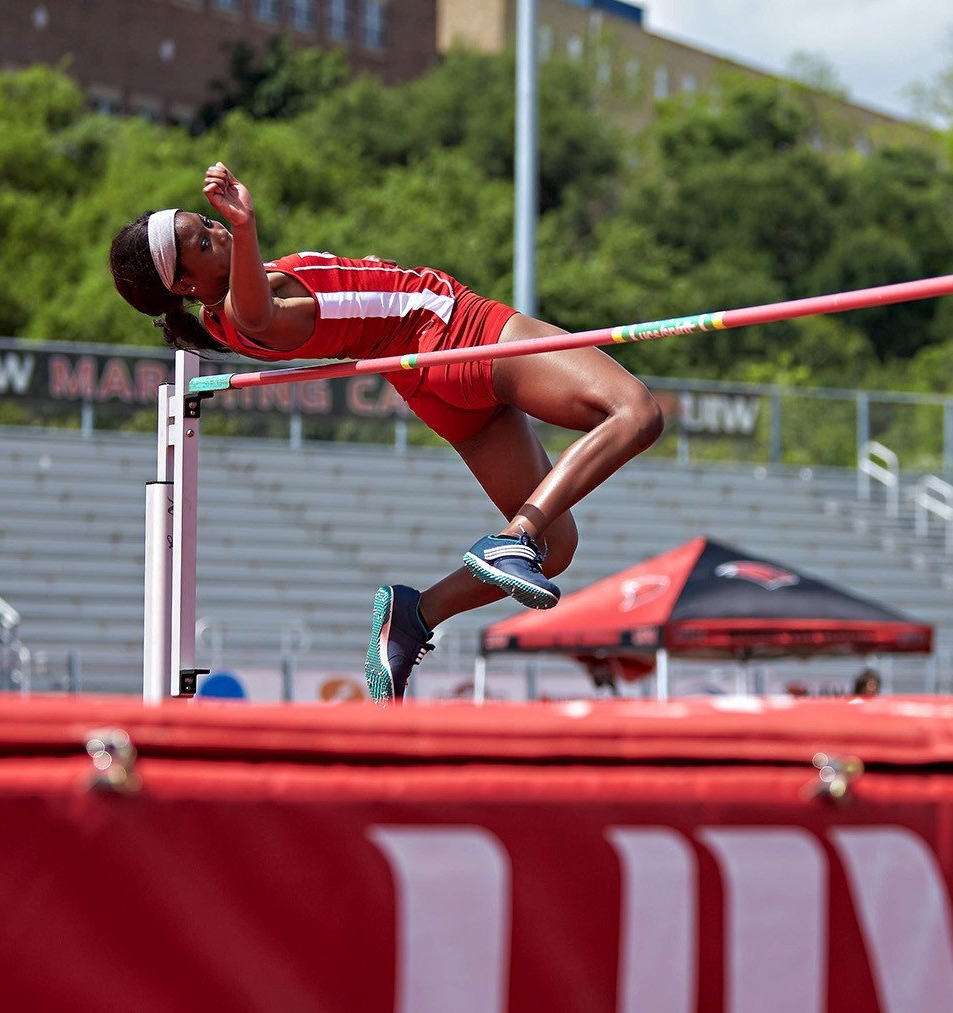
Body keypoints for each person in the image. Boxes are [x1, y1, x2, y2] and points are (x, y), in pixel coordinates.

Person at [110, 163, 663, 704]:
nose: (219, 231)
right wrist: (248, 221)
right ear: (184, 284)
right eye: (204, 242)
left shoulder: (234, 303)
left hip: (425, 379)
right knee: (634, 412)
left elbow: (328, 300)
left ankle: (415, 615)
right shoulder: (238, 309)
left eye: (208, 225)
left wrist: (368, 272)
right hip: (452, 330)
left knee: (557, 546)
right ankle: (513, 538)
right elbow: (258, 313)